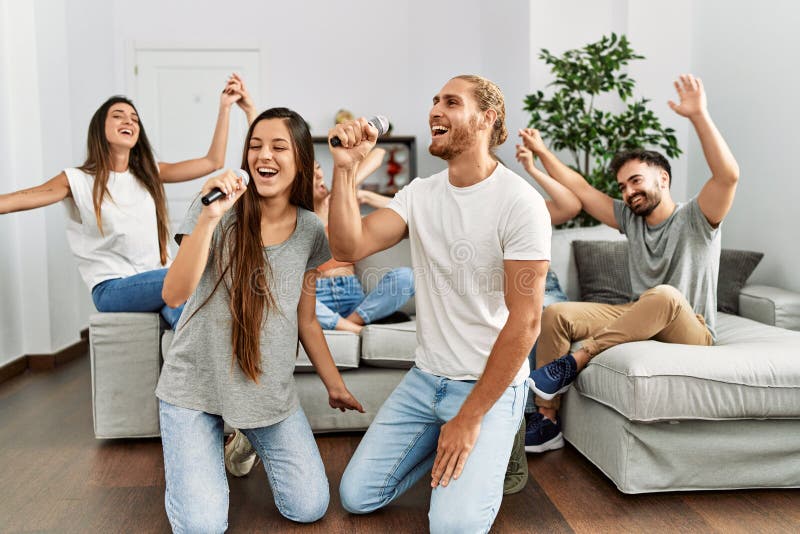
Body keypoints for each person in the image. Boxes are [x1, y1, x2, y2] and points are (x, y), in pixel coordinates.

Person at [330, 75, 552, 533]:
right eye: (434, 101)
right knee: (356, 497)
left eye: (451, 102)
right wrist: (346, 170)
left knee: (451, 528)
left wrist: (469, 417)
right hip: (425, 381)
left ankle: (492, 440)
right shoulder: (419, 194)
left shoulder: (520, 203)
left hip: (487, 388)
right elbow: (349, 245)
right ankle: (446, 444)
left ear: (487, 118)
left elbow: (527, 322)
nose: (435, 110)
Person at [155, 107, 364, 531]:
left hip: (265, 394)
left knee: (310, 507)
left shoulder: (310, 230)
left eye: (278, 147)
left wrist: (335, 385)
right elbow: (174, 293)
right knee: (202, 527)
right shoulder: (216, 207)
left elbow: (307, 322)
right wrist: (210, 218)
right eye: (255, 146)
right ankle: (202, 448)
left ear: (302, 161)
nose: (263, 155)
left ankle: (242, 437)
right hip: (194, 386)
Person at [525, 73, 739, 446]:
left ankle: (577, 361)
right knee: (556, 315)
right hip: (641, 314)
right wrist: (542, 154)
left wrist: (699, 115)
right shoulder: (630, 219)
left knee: (665, 295)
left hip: (691, 329)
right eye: (623, 186)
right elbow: (581, 189)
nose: (629, 192)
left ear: (663, 179)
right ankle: (547, 421)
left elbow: (727, 175)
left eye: (636, 181)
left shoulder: (697, 218)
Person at [0, 74, 248, 329]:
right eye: (118, 115)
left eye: (134, 119)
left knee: (184, 315)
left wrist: (225, 107)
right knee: (192, 276)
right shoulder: (78, 180)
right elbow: (24, 198)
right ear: (101, 128)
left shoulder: (149, 173)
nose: (129, 120)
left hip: (161, 281)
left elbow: (212, 162)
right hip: (112, 288)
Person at [501, 129, 583, 495]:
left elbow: (570, 205)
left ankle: (542, 417)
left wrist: (533, 169)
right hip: (502, 300)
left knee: (534, 317)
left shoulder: (526, 209)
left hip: (543, 294)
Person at [312, 155, 415, 334]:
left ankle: (347, 324)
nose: (319, 176)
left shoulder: (341, 210)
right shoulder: (294, 218)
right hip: (316, 296)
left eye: (318, 168)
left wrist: (355, 190)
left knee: (407, 277)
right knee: (292, 298)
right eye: (309, 174)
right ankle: (353, 328)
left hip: (352, 296)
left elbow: (379, 154)